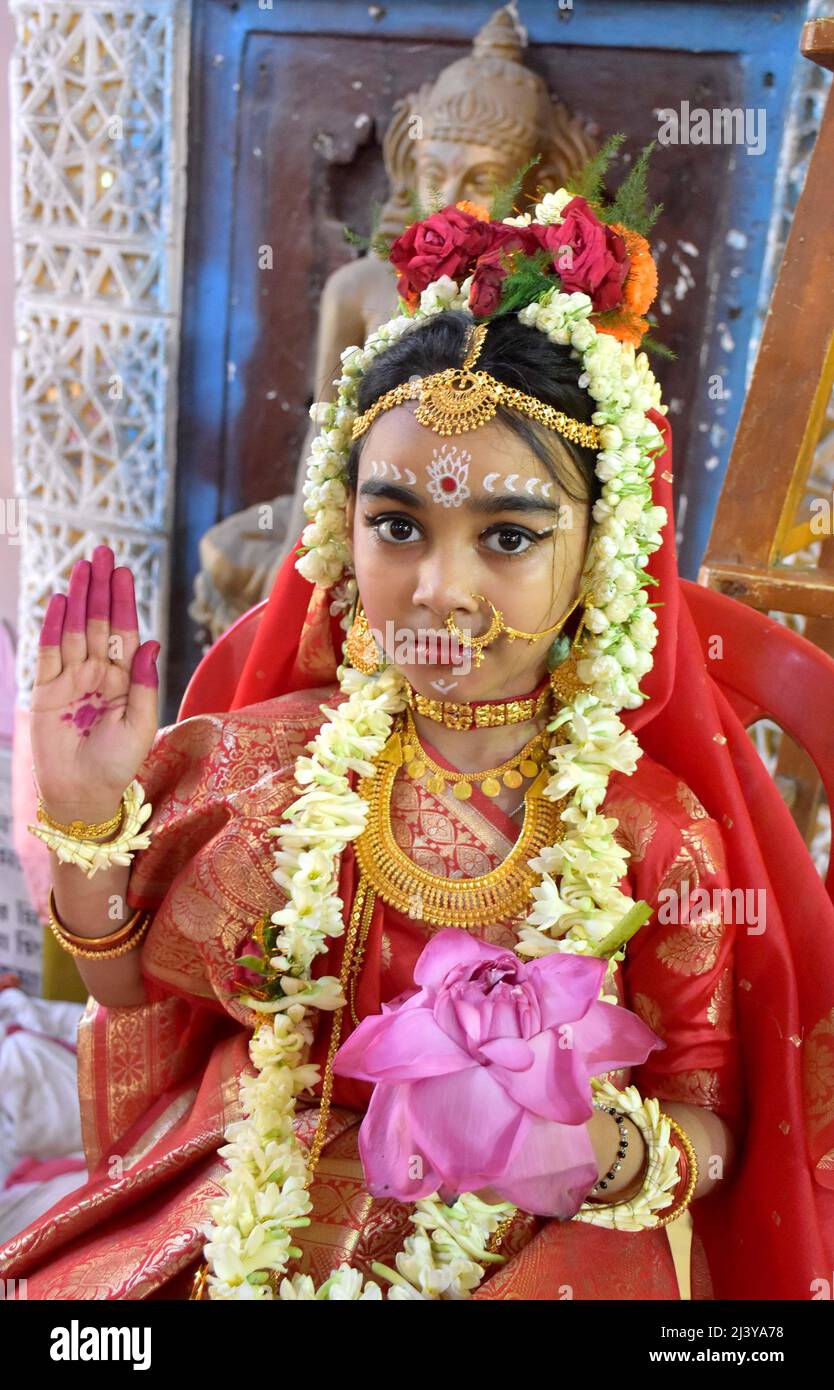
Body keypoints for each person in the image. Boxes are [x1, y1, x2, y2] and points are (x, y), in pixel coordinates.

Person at [1, 183, 832, 1302]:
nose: (440, 590)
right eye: (398, 525)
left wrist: (617, 1151)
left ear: (599, 551)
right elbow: (123, 985)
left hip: (536, 1239)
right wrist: (91, 822)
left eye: (506, 535)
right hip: (253, 1201)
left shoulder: (652, 829)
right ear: (342, 532)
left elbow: (712, 1117)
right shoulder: (274, 763)